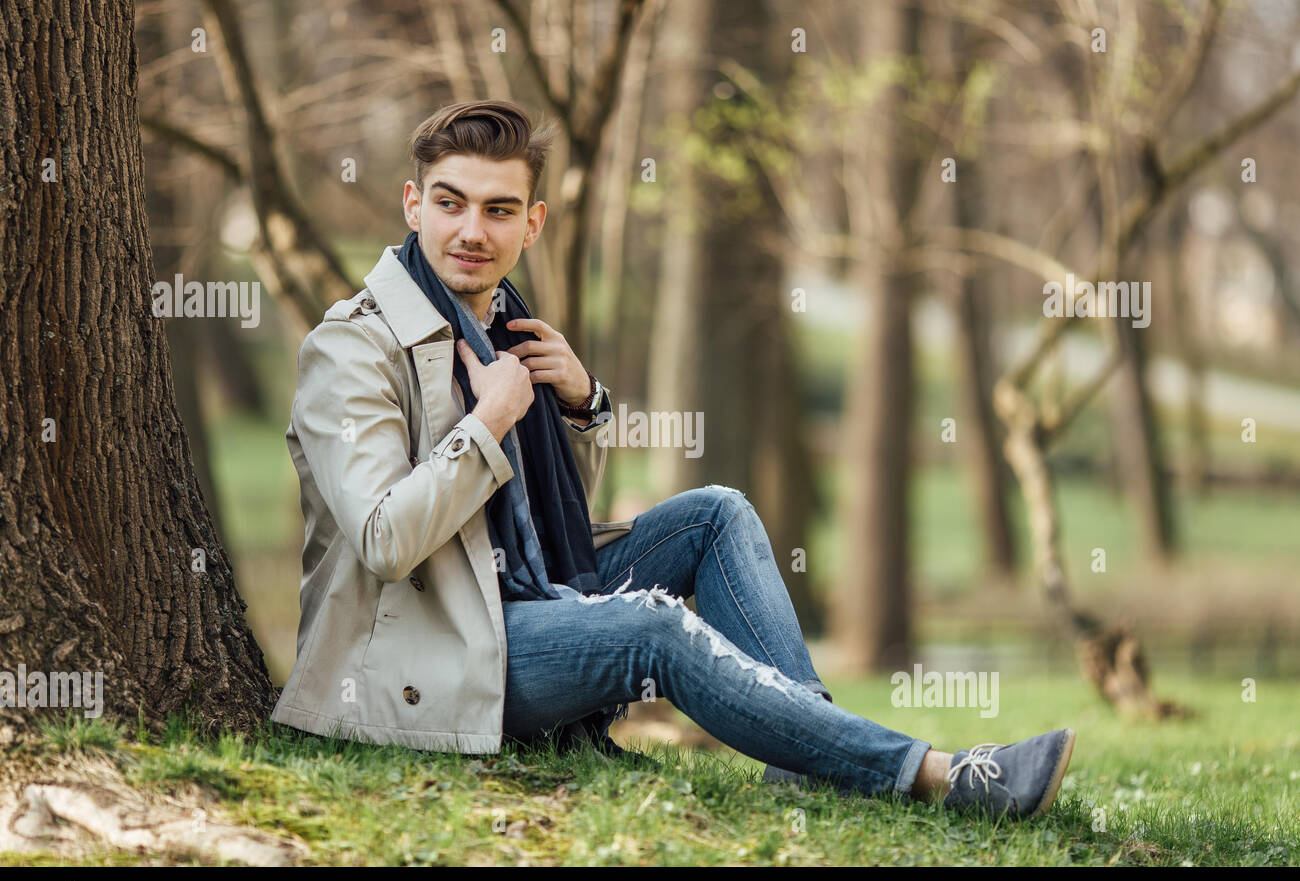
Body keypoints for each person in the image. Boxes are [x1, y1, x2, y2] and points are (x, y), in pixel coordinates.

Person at [271, 99, 1076, 821]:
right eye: (449, 203)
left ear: (534, 223)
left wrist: (580, 405)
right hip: (428, 652)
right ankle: (932, 774)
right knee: (652, 628)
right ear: (414, 205)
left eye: (498, 209)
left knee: (717, 513)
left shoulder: (507, 330)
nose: (472, 230)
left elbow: (547, 528)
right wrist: (490, 421)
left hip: (510, 602)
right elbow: (384, 540)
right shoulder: (354, 345)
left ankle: (807, 755)